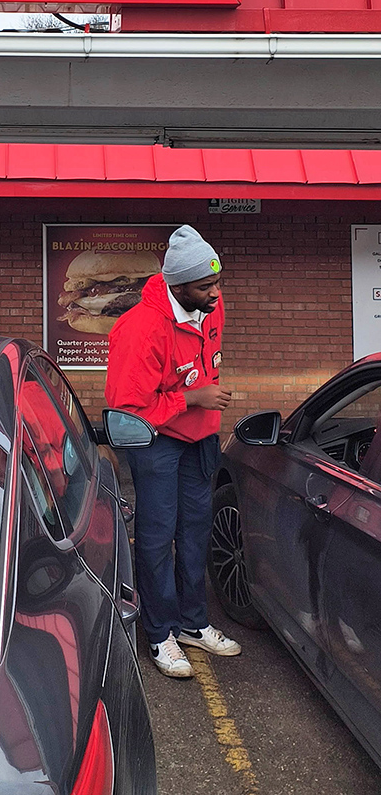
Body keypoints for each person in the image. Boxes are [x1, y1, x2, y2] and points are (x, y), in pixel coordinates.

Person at [105, 224, 241, 678]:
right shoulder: (140, 331)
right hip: (157, 445)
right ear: (176, 285)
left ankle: (192, 623)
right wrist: (191, 399)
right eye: (206, 286)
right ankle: (160, 632)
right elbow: (127, 411)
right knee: (158, 539)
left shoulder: (211, 308)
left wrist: (201, 406)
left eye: (217, 283)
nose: (216, 294)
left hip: (199, 441)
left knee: (195, 534)